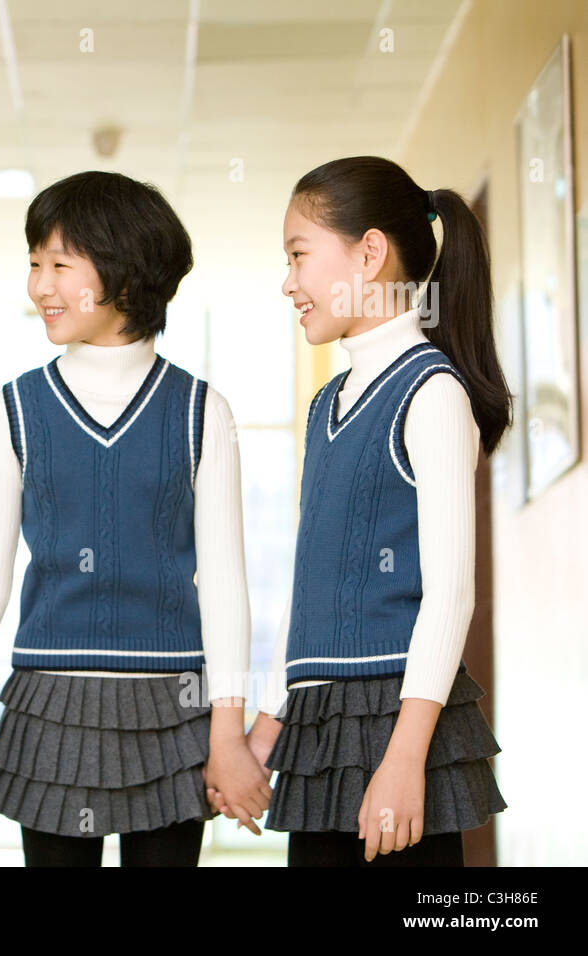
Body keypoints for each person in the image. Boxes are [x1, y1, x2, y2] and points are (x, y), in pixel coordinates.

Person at [0, 170, 269, 867]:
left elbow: (227, 586)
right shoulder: (15, 410)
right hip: (50, 709)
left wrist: (228, 730)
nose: (39, 285)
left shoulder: (202, 411)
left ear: (122, 273)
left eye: (59, 263)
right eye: (34, 263)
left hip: (176, 710)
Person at [213, 156, 509, 866]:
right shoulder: (324, 406)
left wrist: (406, 760)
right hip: (320, 731)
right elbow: (311, 584)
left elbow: (450, 596)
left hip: (399, 725)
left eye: (298, 256)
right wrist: (267, 726)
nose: (288, 283)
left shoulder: (432, 393)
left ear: (369, 253)